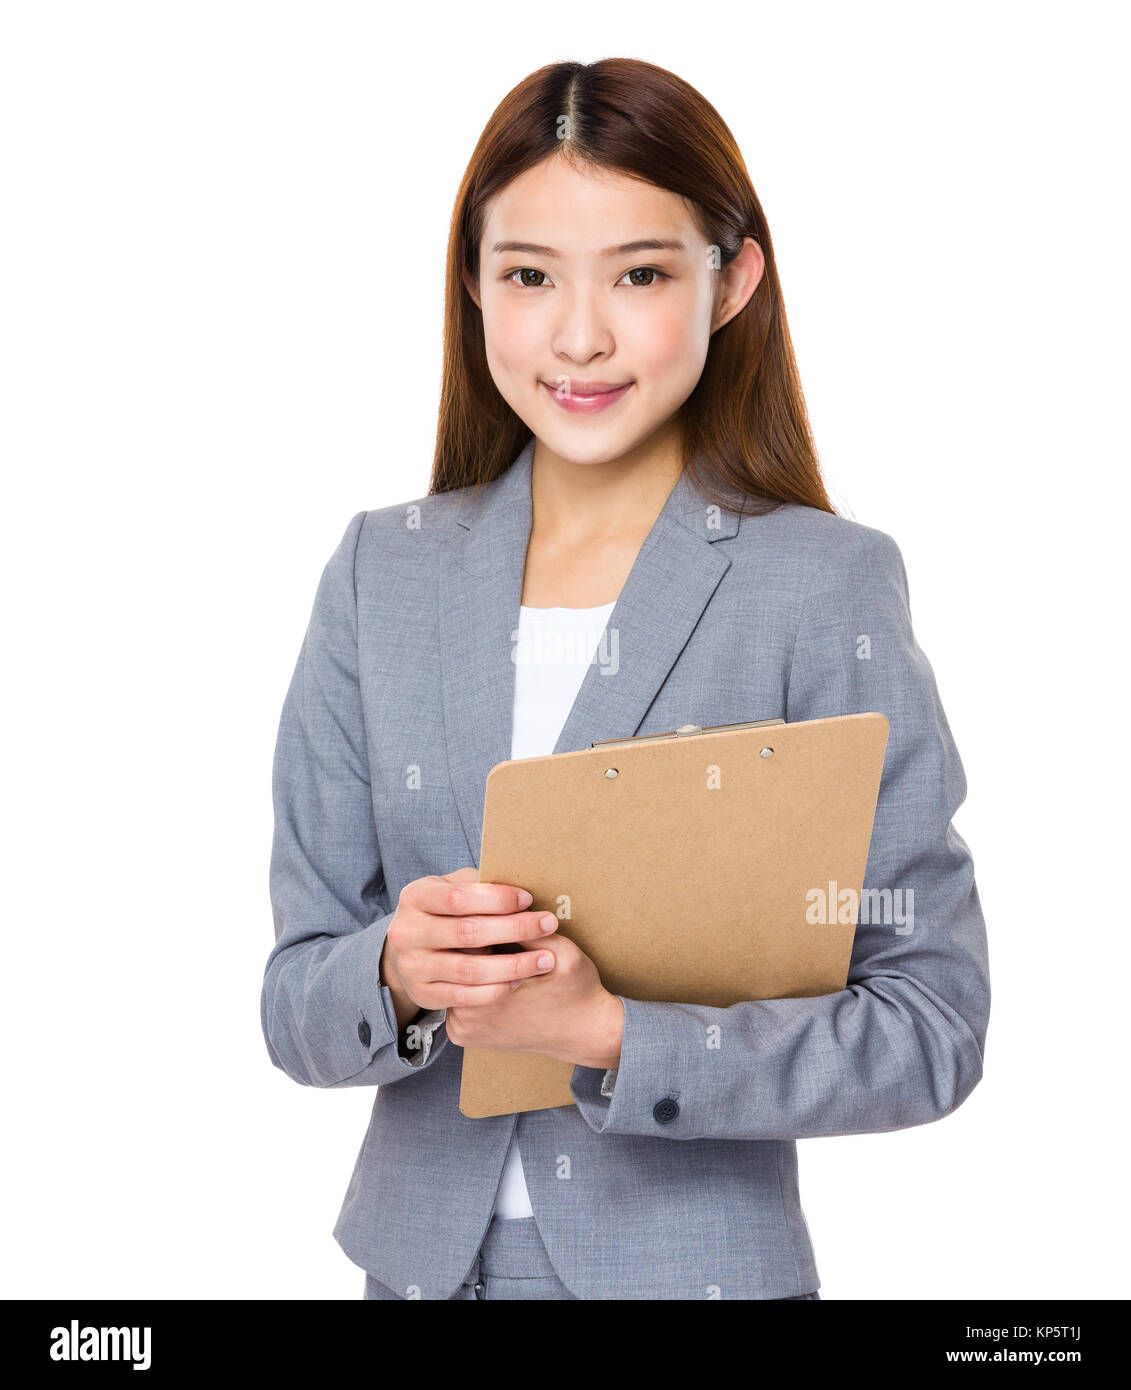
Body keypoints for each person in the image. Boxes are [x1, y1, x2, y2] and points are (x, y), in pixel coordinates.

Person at [262, 57, 990, 1301]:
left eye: (642, 273)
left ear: (733, 281)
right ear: (474, 288)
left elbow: (930, 1021)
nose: (580, 333)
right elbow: (294, 1001)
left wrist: (612, 1035)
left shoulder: (823, 586)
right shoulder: (382, 573)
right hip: (416, 1276)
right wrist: (394, 970)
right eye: (529, 275)